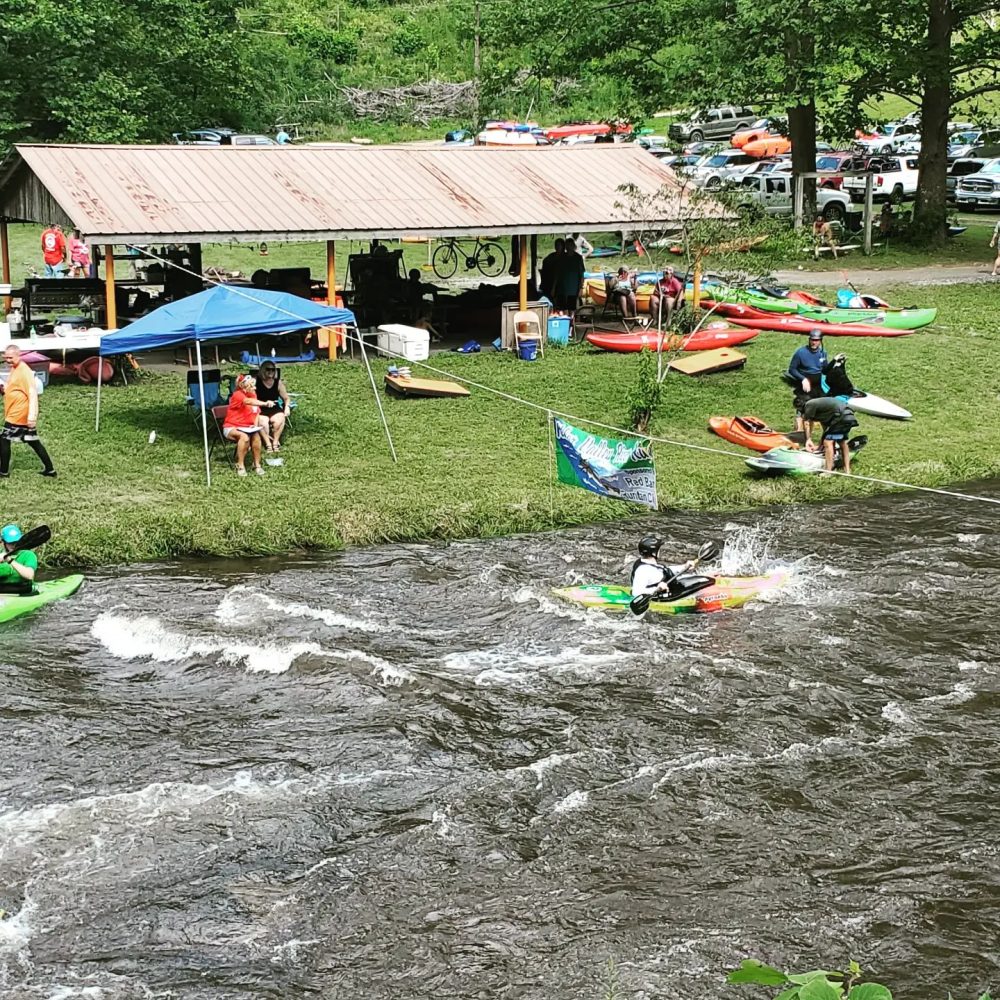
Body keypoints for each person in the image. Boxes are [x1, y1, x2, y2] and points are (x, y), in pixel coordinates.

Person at [0, 345, 56, 479]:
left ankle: (3, 471)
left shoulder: (24, 371)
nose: (8, 360)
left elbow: (32, 393)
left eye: (10, 357)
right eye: (6, 357)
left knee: (3, 439)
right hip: (16, 411)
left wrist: (32, 417)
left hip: (19, 414)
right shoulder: (15, 368)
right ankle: (50, 469)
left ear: (18, 356)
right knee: (33, 441)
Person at [788, 330, 831, 444]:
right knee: (803, 410)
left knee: (820, 410)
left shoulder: (822, 353)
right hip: (805, 385)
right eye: (812, 340)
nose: (814, 342)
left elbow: (825, 368)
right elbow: (792, 369)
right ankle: (801, 435)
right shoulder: (800, 353)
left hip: (817, 386)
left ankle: (824, 439)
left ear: (820, 341)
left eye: (816, 340)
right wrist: (803, 379)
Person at [223, 374, 267, 477]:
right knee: (244, 437)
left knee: (256, 436)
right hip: (231, 427)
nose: (254, 388)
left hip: (247, 427)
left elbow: (256, 413)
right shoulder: (238, 394)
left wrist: (254, 426)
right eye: (252, 386)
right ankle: (240, 465)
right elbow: (247, 401)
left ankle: (257, 464)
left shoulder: (253, 395)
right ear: (245, 387)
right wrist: (264, 403)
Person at [802, 396, 859, 474]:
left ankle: (828, 472)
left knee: (828, 442)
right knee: (842, 442)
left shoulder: (809, 404)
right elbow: (826, 432)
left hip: (840, 416)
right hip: (849, 415)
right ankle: (847, 470)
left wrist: (808, 440)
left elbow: (806, 423)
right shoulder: (824, 410)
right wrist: (819, 447)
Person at [630, 536, 698, 601]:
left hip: (667, 591)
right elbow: (636, 592)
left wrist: (684, 567)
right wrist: (657, 589)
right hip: (658, 597)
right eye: (658, 549)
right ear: (653, 553)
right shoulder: (642, 570)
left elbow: (665, 571)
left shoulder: (648, 564)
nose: (660, 551)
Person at [254, 362, 290, 453]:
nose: (270, 371)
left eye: (273, 369)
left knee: (279, 420)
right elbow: (250, 398)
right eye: (268, 369)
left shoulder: (278, 383)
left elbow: (286, 398)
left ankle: (275, 441)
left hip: (274, 408)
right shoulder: (256, 382)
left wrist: (287, 407)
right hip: (260, 408)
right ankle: (268, 443)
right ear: (262, 370)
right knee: (263, 422)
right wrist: (263, 403)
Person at [0, 524, 36, 594]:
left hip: (21, 589)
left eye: (16, 542)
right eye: (10, 543)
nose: (14, 545)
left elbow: (29, 575)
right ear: (3, 542)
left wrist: (9, 560)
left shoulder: (28, 554)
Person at [552, 238, 585, 312]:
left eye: (570, 245)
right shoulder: (562, 257)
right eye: (567, 246)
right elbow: (557, 274)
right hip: (562, 289)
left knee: (572, 309)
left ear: (573, 246)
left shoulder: (578, 258)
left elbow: (582, 275)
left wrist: (581, 288)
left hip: (573, 289)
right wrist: (554, 288)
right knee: (562, 309)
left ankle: (572, 322)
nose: (569, 247)